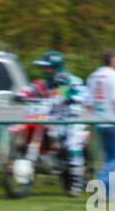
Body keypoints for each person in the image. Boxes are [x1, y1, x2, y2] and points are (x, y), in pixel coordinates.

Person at [17, 51, 90, 193]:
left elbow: (84, 91)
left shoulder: (70, 80)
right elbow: (30, 89)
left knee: (72, 143)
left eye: (47, 67)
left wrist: (74, 98)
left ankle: (76, 181)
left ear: (56, 67)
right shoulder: (42, 82)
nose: (44, 70)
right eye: (43, 67)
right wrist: (20, 95)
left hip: (69, 119)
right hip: (47, 117)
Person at [86, 51, 115, 190]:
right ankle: (101, 181)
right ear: (113, 61)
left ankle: (111, 193)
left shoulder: (93, 76)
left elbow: (89, 104)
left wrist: (99, 113)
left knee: (108, 159)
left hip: (100, 122)